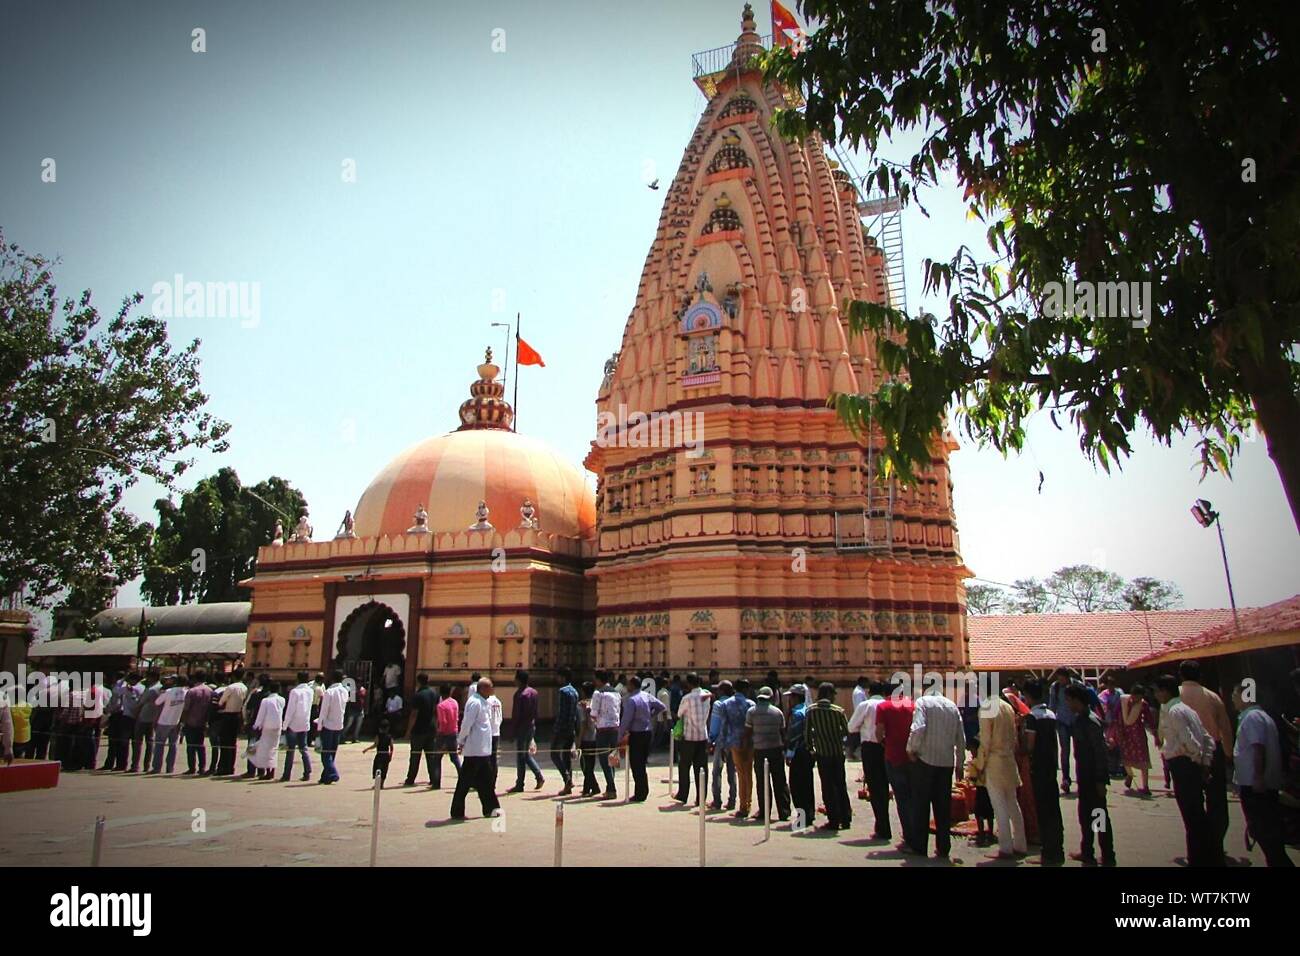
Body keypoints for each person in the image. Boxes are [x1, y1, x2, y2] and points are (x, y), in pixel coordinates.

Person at [1153, 674, 1218, 866]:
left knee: (1191, 817)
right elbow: (1208, 739)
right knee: (1197, 814)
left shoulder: (1174, 711)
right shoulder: (1188, 710)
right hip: (1192, 765)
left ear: (1164, 691)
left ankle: (1198, 858)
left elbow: (1190, 740)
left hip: (1184, 764)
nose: (1156, 695)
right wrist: (1205, 762)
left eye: (1157, 691)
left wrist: (1195, 758)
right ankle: (1207, 856)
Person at [1230, 680, 1293, 867]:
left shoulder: (1253, 718)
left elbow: (1258, 747)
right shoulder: (1258, 716)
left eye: (1234, 695)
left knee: (1266, 834)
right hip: (1257, 783)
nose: (1232, 699)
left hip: (1255, 785)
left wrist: (1257, 776)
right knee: (1267, 835)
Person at [1178, 660, 1233, 864]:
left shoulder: (1175, 697)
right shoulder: (1212, 697)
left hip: (1185, 756)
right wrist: (1228, 753)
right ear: (1199, 676)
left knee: (1191, 805)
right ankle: (1216, 846)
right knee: (1217, 801)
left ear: (1181, 675)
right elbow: (1225, 728)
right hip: (1212, 752)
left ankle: (1197, 851)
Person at [905, 689, 965, 857]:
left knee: (920, 805)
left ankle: (919, 846)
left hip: (925, 761)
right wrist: (960, 763)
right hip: (946, 763)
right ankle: (943, 847)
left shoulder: (922, 703)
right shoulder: (952, 706)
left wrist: (911, 749)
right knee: (943, 807)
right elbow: (961, 737)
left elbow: (918, 728)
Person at [1065, 683, 1116, 866]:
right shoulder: (1080, 719)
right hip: (1084, 776)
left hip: (1094, 777)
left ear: (1077, 700)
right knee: (1085, 816)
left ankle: (1108, 854)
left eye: (1069, 700)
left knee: (1099, 816)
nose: (1067, 704)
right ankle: (1087, 851)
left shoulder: (1091, 722)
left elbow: (1100, 753)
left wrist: (1101, 780)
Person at [972, 692, 1027, 858]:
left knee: (999, 806)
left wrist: (979, 764)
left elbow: (986, 741)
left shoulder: (987, 708)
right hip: (1009, 759)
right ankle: (1020, 844)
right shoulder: (1008, 707)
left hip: (994, 761)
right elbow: (1014, 737)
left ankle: (1005, 848)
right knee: (1013, 804)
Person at [1021, 679, 1064, 865]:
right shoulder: (1050, 714)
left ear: (1028, 696)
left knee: (1043, 810)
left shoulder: (1032, 717)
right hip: (1051, 766)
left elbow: (1030, 745)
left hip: (1038, 767)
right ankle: (1057, 848)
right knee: (1054, 810)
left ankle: (1047, 852)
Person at [450, 677, 500, 820]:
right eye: (491, 686)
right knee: (465, 782)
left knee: (486, 782)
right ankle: (457, 811)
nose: (493, 689)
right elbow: (466, 724)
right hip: (474, 750)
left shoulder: (484, 702)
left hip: (482, 750)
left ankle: (491, 808)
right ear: (483, 688)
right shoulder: (474, 703)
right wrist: (461, 741)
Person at [806, 682, 852, 831]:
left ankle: (833, 819)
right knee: (840, 785)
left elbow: (807, 734)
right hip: (837, 753)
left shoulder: (811, 711)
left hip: (822, 754)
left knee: (827, 787)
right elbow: (846, 732)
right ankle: (845, 818)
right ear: (829, 695)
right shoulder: (838, 711)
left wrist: (812, 748)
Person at [875, 685, 916, 848]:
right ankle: (917, 836)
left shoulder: (883, 706)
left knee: (902, 798)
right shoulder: (913, 705)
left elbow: (878, 734)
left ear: (886, 693)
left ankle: (909, 837)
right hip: (913, 756)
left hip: (893, 756)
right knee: (914, 797)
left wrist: (884, 742)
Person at [848, 682, 889, 839]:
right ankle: (884, 825)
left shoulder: (866, 705)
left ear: (869, 692)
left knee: (875, 787)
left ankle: (882, 826)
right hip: (887, 747)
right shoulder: (888, 704)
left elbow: (851, 727)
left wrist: (864, 727)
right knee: (885, 785)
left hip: (870, 749)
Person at [1047, 667, 1096, 794]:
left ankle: (1082, 779)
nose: (1061, 681)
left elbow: (1085, 703)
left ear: (1068, 677)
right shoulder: (1055, 687)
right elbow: (1052, 705)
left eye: (1062, 678)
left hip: (1076, 722)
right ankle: (1066, 779)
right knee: (1065, 752)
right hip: (1062, 721)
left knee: (1079, 751)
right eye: (1059, 678)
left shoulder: (1077, 686)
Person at [746, 686, 790, 821]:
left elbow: (748, 732)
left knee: (762, 782)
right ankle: (784, 812)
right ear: (771, 698)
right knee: (780, 781)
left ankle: (764, 812)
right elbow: (783, 733)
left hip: (759, 750)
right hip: (776, 749)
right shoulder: (778, 712)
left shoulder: (752, 712)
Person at [618, 675, 665, 802]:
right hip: (648, 732)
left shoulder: (631, 700)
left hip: (637, 734)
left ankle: (640, 793)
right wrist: (650, 715)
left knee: (636, 764)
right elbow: (661, 706)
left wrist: (619, 736)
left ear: (632, 685)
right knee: (642, 764)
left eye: (628, 684)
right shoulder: (647, 696)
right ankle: (643, 790)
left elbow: (626, 721)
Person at [673, 672, 712, 805]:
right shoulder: (707, 695)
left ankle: (683, 795)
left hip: (689, 736)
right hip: (703, 736)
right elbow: (708, 693)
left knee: (684, 766)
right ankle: (701, 797)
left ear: (689, 683)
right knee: (702, 768)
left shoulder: (687, 698)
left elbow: (679, 714)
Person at [507, 669, 545, 792]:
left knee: (521, 756)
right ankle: (537, 775)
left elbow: (516, 715)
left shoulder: (519, 695)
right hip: (531, 725)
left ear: (518, 680)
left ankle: (521, 783)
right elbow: (536, 712)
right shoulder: (534, 692)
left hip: (522, 727)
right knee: (525, 754)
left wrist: (512, 731)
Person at [706, 680, 740, 813]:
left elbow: (715, 724)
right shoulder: (736, 703)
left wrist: (711, 740)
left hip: (721, 741)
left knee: (717, 772)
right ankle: (732, 800)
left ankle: (717, 800)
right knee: (732, 772)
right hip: (735, 741)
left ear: (722, 691)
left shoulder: (718, 704)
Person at [783, 684, 814, 828]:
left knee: (797, 787)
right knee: (807, 785)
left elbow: (793, 736)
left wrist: (789, 753)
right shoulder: (808, 710)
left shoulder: (796, 713)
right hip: (808, 752)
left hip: (798, 753)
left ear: (795, 697)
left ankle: (802, 818)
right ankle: (809, 814)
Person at [1118, 683, 1155, 793]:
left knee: (1143, 759)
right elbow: (1118, 716)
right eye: (1135, 696)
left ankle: (1145, 786)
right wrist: (1119, 731)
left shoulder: (1143, 705)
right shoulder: (1124, 702)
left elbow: (1149, 719)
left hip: (1138, 734)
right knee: (1125, 757)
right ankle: (1130, 774)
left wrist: (1155, 732)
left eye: (1139, 697)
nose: (1136, 699)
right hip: (1125, 733)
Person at [404, 673, 440, 787]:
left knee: (415, 755)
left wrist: (408, 731)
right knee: (431, 756)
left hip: (419, 729)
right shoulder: (435, 694)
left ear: (418, 681)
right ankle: (434, 779)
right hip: (432, 728)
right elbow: (437, 712)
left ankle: (411, 778)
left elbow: (414, 714)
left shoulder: (418, 695)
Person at [591, 671, 621, 799]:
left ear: (598, 680)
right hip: (615, 728)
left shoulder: (598, 693)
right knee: (612, 758)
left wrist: (588, 710)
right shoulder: (617, 693)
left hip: (603, 729)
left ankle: (612, 787)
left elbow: (594, 713)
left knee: (604, 760)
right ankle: (610, 787)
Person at [247, 680, 285, 780]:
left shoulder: (265, 701)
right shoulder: (282, 699)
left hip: (267, 727)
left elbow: (261, 715)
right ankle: (271, 771)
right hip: (277, 728)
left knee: (266, 750)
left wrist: (256, 726)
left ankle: (266, 771)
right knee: (273, 749)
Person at [213, 667, 248, 776]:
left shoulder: (231, 687)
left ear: (233, 676)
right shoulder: (244, 688)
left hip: (227, 715)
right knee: (232, 743)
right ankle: (230, 766)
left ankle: (223, 767)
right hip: (237, 715)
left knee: (224, 742)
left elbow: (221, 702)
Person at [316, 671, 349, 785]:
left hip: (328, 725)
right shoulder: (345, 692)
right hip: (338, 725)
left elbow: (324, 711)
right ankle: (326, 776)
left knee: (326, 753)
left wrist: (319, 727)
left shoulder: (329, 692)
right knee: (332, 752)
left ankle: (333, 773)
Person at [149, 676, 187, 775]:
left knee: (159, 745)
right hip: (176, 721)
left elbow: (157, 702)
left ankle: (157, 767)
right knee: (173, 745)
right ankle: (170, 768)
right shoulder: (186, 692)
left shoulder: (169, 691)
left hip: (164, 721)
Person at [551, 669, 579, 794]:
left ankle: (566, 778)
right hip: (571, 727)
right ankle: (569, 783)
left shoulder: (563, 691)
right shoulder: (575, 691)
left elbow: (562, 712)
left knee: (554, 754)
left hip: (563, 727)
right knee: (566, 755)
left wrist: (557, 727)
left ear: (563, 677)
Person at [282, 672, 313, 782]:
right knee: (303, 749)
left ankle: (287, 774)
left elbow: (290, 710)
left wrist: (284, 725)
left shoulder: (295, 692)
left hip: (293, 724)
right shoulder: (310, 691)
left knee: (290, 750)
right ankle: (307, 771)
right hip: (304, 722)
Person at [180, 672, 212, 775]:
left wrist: (183, 721)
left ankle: (191, 767)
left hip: (191, 721)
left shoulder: (191, 691)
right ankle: (202, 767)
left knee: (190, 746)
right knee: (200, 746)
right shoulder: (210, 691)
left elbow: (186, 708)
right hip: (203, 721)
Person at [130, 671, 161, 773]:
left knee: (137, 742)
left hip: (144, 716)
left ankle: (135, 765)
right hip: (154, 717)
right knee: (150, 742)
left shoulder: (151, 689)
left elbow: (141, 703)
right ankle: (146, 765)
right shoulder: (160, 688)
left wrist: (135, 712)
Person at [433, 684, 462, 790]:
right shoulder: (455, 703)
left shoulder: (441, 706)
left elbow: (443, 722)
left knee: (437, 758)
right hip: (454, 732)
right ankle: (463, 778)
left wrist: (440, 734)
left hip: (443, 734)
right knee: (455, 758)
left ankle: (436, 783)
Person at [1098, 674, 1125, 778]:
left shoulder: (1120, 693)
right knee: (1110, 744)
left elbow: (1123, 702)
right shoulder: (1104, 694)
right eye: (1109, 685)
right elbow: (1102, 704)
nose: (1111, 687)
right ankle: (1111, 766)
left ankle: (1119, 766)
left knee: (1119, 744)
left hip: (1118, 722)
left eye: (1112, 685)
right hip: (1108, 722)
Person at [578, 681, 599, 796]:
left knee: (585, 764)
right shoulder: (596, 703)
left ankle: (590, 788)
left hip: (587, 737)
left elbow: (583, 724)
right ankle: (592, 787)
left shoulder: (582, 705)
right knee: (590, 763)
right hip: (596, 736)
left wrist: (578, 740)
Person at [365, 719, 395, 787]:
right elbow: (392, 747)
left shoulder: (378, 736)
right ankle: (381, 784)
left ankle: (377, 784)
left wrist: (367, 749)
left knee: (378, 769)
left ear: (379, 728)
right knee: (385, 769)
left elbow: (375, 745)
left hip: (379, 754)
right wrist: (390, 755)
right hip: (386, 755)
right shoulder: (389, 737)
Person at [485, 684, 503, 789]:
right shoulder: (498, 701)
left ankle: (488, 780)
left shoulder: (487, 702)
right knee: (493, 758)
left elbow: (486, 717)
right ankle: (493, 780)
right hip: (496, 731)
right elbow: (500, 717)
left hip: (488, 732)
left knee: (486, 758)